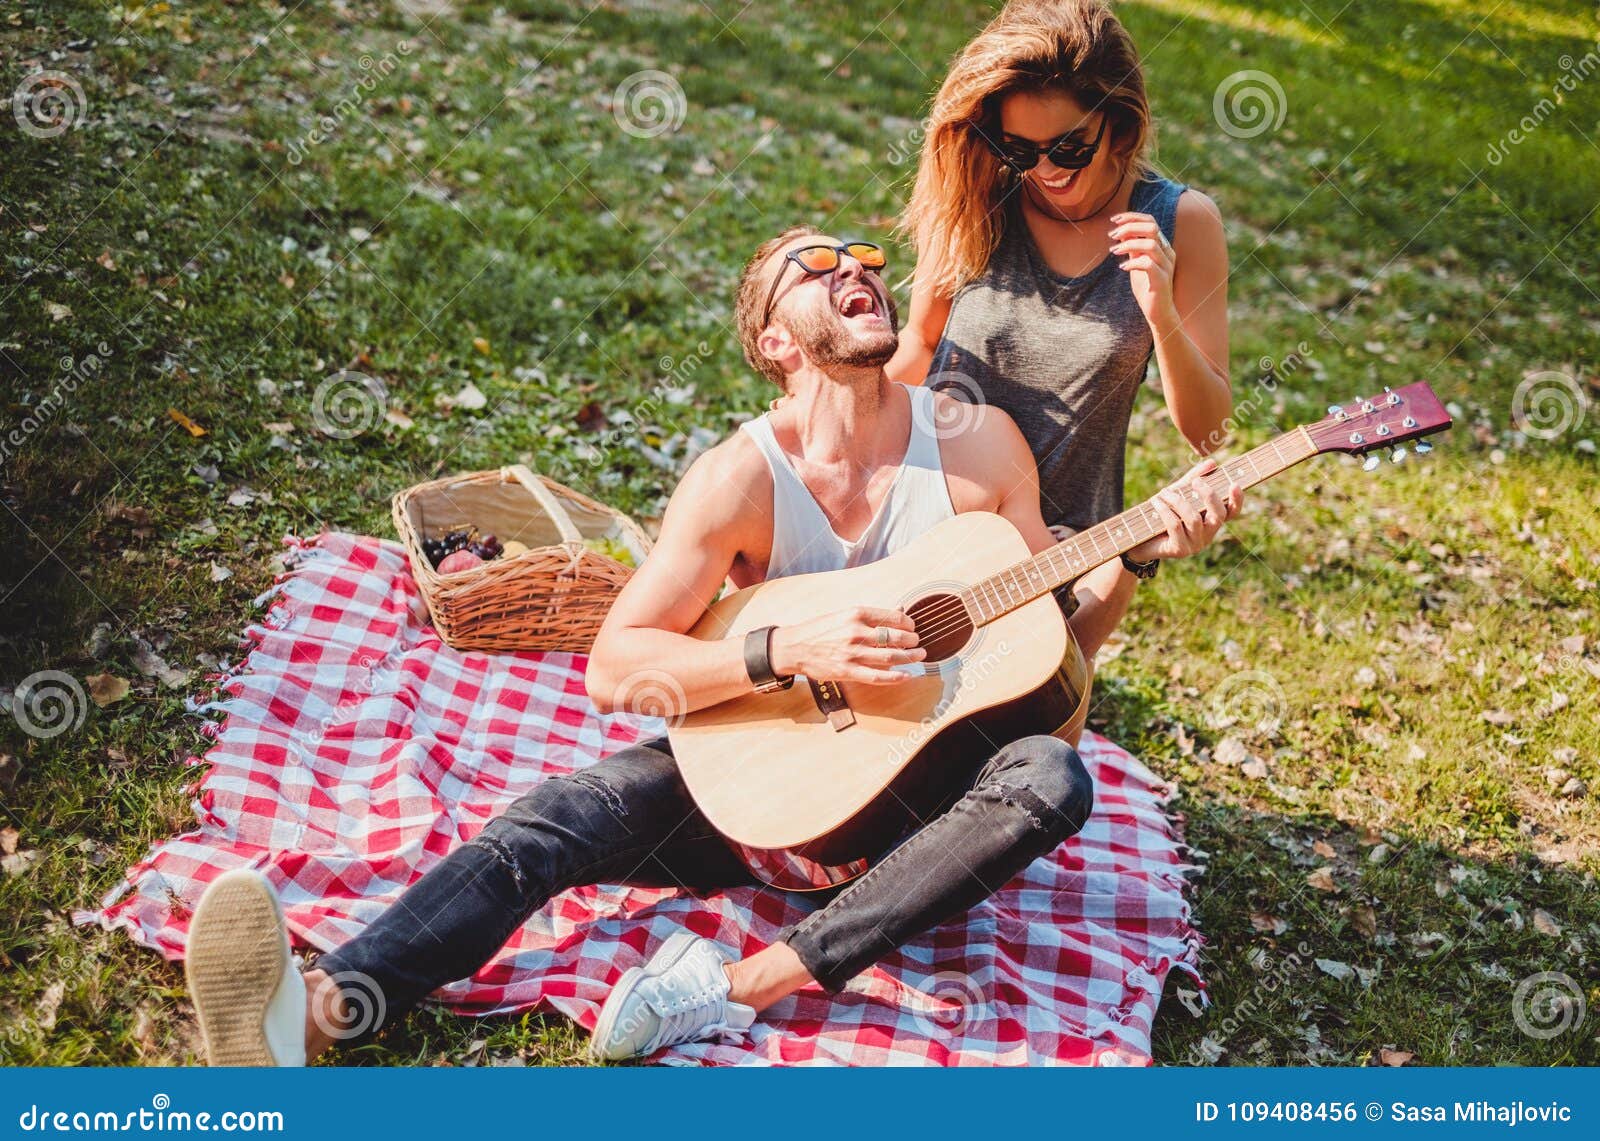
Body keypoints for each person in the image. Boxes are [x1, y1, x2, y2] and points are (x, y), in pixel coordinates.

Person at [183, 227, 1240, 1066]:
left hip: (922, 801)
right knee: (548, 819)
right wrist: (788, 644)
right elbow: (617, 666)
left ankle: (735, 987)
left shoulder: (978, 448)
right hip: (764, 785)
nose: (854, 270)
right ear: (775, 342)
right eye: (813, 266)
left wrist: (1134, 560)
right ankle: (307, 1019)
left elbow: (1054, 670)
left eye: (861, 259)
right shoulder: (739, 479)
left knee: (1054, 773)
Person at [887, 0, 1233, 662]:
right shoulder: (980, 188)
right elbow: (921, 346)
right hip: (916, 532)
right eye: (1021, 149)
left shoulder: (1185, 222)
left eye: (1070, 147)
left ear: (1120, 124)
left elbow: (1210, 433)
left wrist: (1159, 311)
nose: (1045, 170)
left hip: (1053, 572)